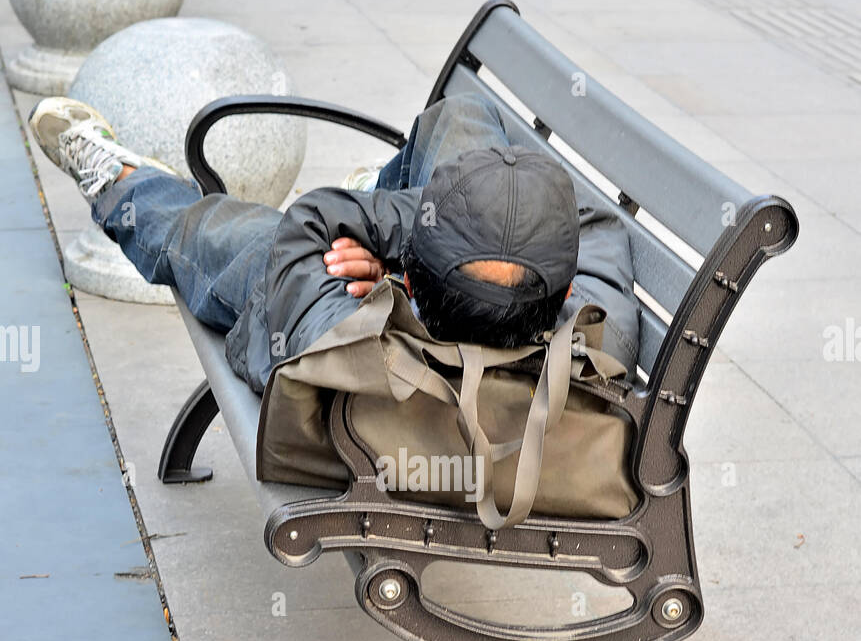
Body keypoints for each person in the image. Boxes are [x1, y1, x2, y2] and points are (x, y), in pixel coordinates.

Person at [28, 92, 640, 394]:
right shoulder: (597, 333)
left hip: (367, 310)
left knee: (226, 235)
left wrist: (392, 260)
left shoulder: (335, 332)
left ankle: (119, 183)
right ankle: (393, 195)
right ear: (562, 288)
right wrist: (415, 244)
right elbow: (588, 220)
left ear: (415, 278)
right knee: (462, 118)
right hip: (447, 291)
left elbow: (315, 217)